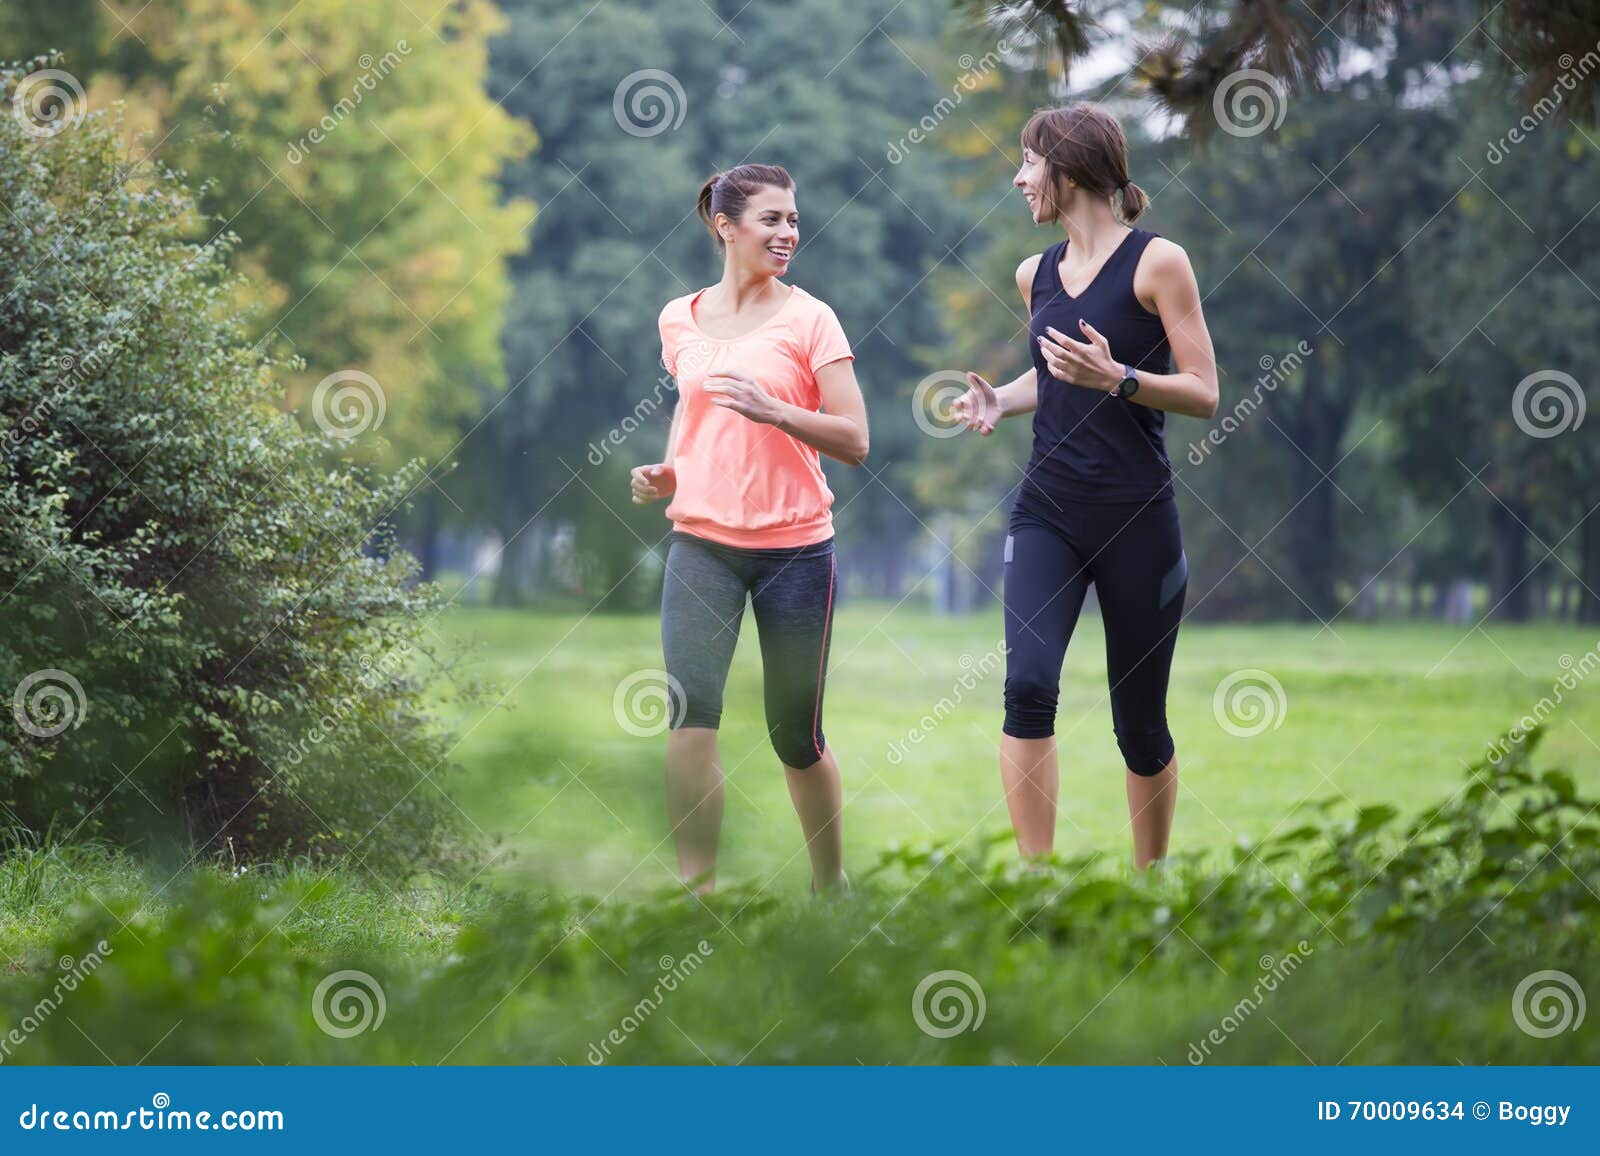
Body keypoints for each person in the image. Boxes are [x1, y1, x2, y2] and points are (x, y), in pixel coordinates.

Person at [951, 104, 1219, 870]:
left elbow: (1203, 392)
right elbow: (1056, 373)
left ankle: (1150, 884)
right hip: (1048, 510)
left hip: (1137, 516)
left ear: (1069, 170)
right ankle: (1038, 882)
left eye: (1029, 161)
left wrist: (1122, 378)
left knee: (1139, 723)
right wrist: (1002, 398)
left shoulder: (1158, 262)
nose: (1018, 177)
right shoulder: (1033, 273)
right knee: (1028, 686)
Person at [631, 163, 868, 895]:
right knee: (689, 717)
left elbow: (855, 438)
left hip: (796, 549)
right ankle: (694, 896)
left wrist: (777, 411)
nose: (788, 233)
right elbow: (692, 407)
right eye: (772, 220)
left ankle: (832, 889)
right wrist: (672, 469)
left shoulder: (811, 318)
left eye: (793, 220)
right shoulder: (680, 316)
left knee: (795, 736)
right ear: (725, 227)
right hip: (702, 543)